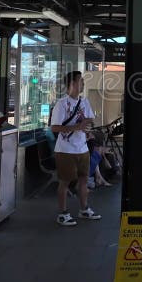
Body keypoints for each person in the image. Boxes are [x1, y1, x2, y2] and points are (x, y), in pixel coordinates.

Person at [50, 71, 102, 226]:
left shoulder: (84, 102)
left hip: (82, 148)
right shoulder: (61, 104)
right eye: (80, 81)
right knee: (64, 182)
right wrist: (77, 126)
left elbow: (90, 119)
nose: (83, 84)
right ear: (72, 84)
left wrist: (88, 125)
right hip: (65, 150)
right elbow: (54, 127)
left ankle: (84, 209)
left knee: (84, 180)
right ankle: (62, 213)